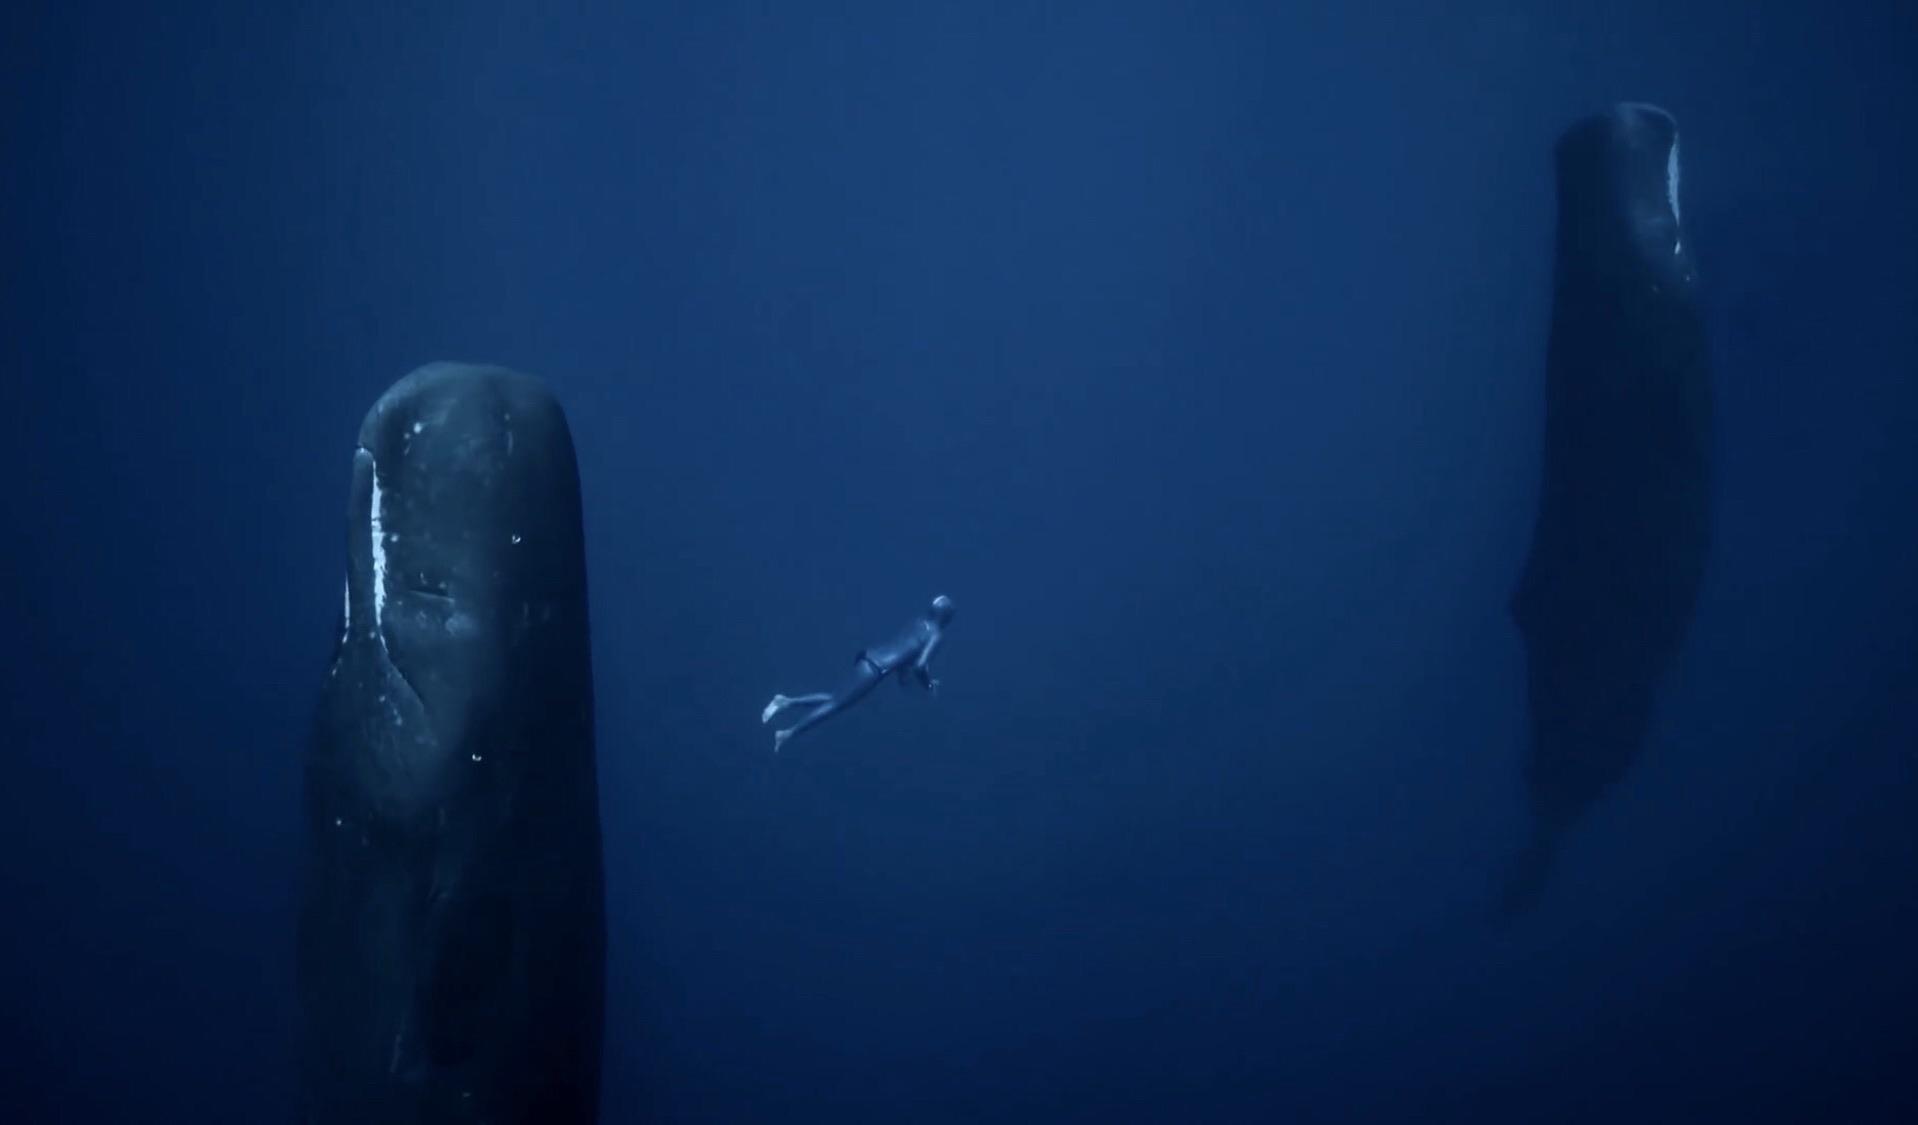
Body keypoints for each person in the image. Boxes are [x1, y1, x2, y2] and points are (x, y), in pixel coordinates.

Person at [762, 595, 955, 753]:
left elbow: (905, 650)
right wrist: (928, 684)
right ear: (946, 618)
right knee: (836, 704)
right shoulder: (936, 634)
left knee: (835, 697)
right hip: (875, 670)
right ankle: (787, 733)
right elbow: (919, 665)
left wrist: (903, 675)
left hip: (867, 657)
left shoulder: (918, 621)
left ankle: (785, 702)